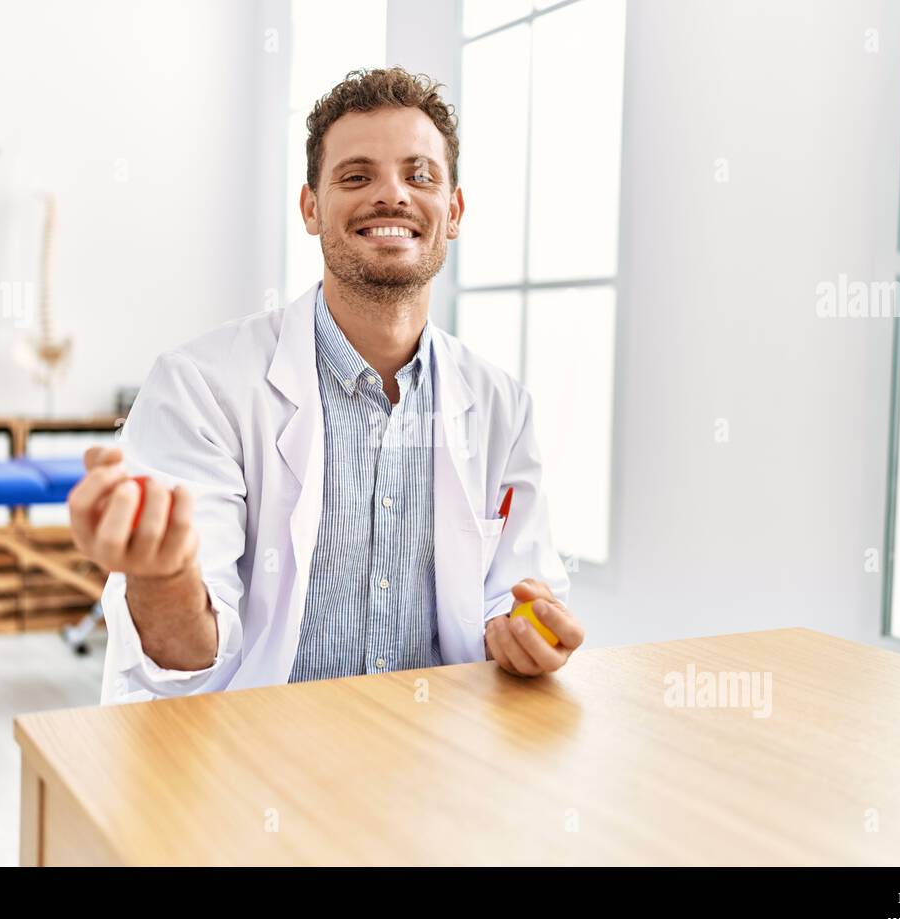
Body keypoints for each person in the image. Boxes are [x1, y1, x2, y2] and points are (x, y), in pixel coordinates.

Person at [69, 67, 585, 703]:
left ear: (452, 212)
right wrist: (162, 573)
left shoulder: (502, 406)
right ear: (311, 207)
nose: (391, 195)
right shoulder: (201, 386)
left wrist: (524, 633)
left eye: (419, 175)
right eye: (356, 175)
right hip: (256, 759)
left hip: (444, 755)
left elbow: (514, 594)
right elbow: (185, 660)